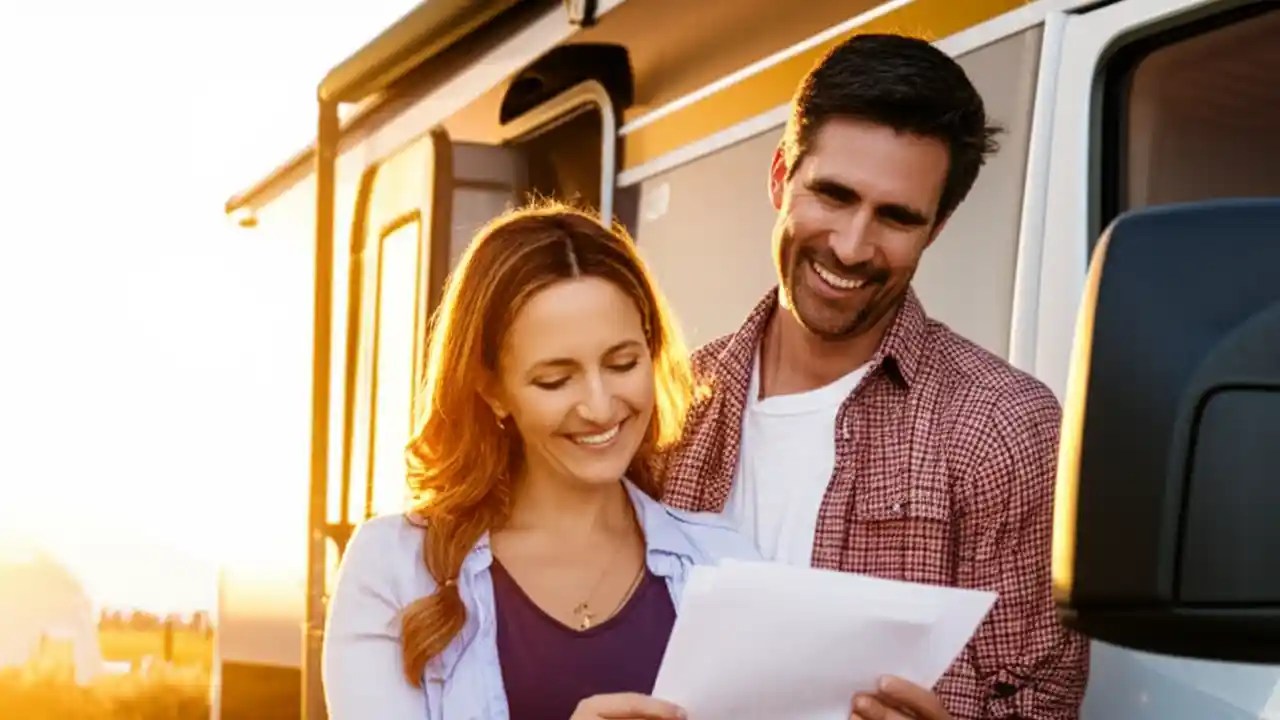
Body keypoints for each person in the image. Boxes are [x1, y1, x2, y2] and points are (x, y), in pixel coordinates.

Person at [320, 203, 906, 719]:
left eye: (623, 364)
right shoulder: (393, 569)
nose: (600, 407)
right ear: (492, 390)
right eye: (554, 379)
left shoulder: (724, 561)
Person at [658, 33, 1091, 720]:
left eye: (895, 217)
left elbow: (1044, 703)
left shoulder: (1004, 426)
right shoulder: (666, 408)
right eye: (834, 195)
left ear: (936, 228)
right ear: (779, 178)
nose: (852, 246)